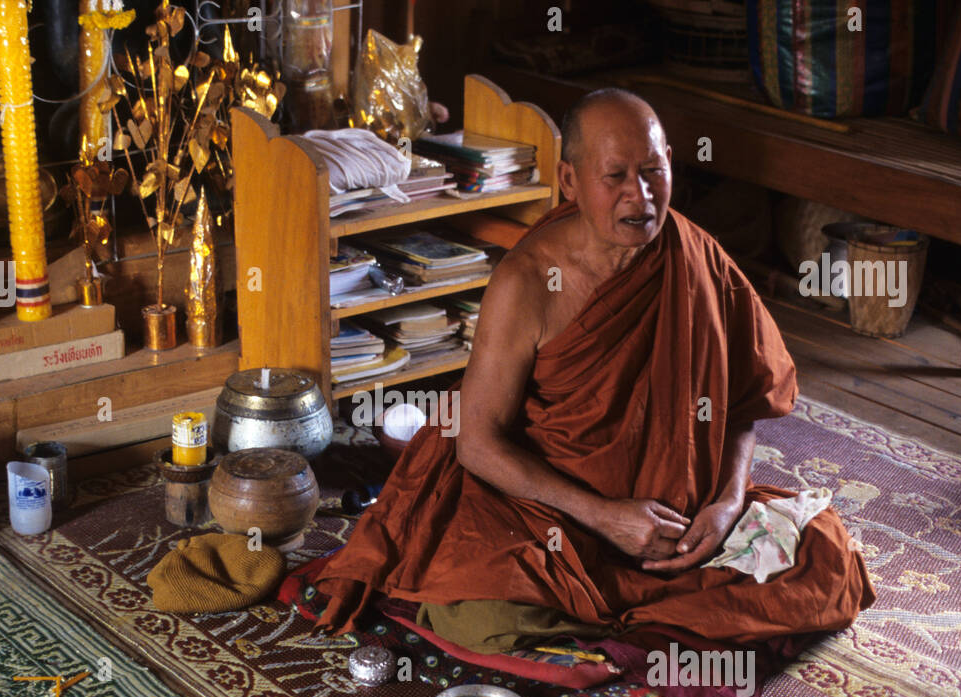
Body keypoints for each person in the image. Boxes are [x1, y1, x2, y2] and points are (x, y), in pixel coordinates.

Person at [313, 88, 875, 647]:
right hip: (551, 514)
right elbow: (477, 444)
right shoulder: (529, 281)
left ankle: (619, 610)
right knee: (481, 610)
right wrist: (605, 517)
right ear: (569, 181)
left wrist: (727, 504)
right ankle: (610, 604)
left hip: (687, 528)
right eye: (616, 177)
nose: (641, 195)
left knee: (827, 558)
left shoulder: (698, 258)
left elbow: (742, 406)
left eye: (654, 172)